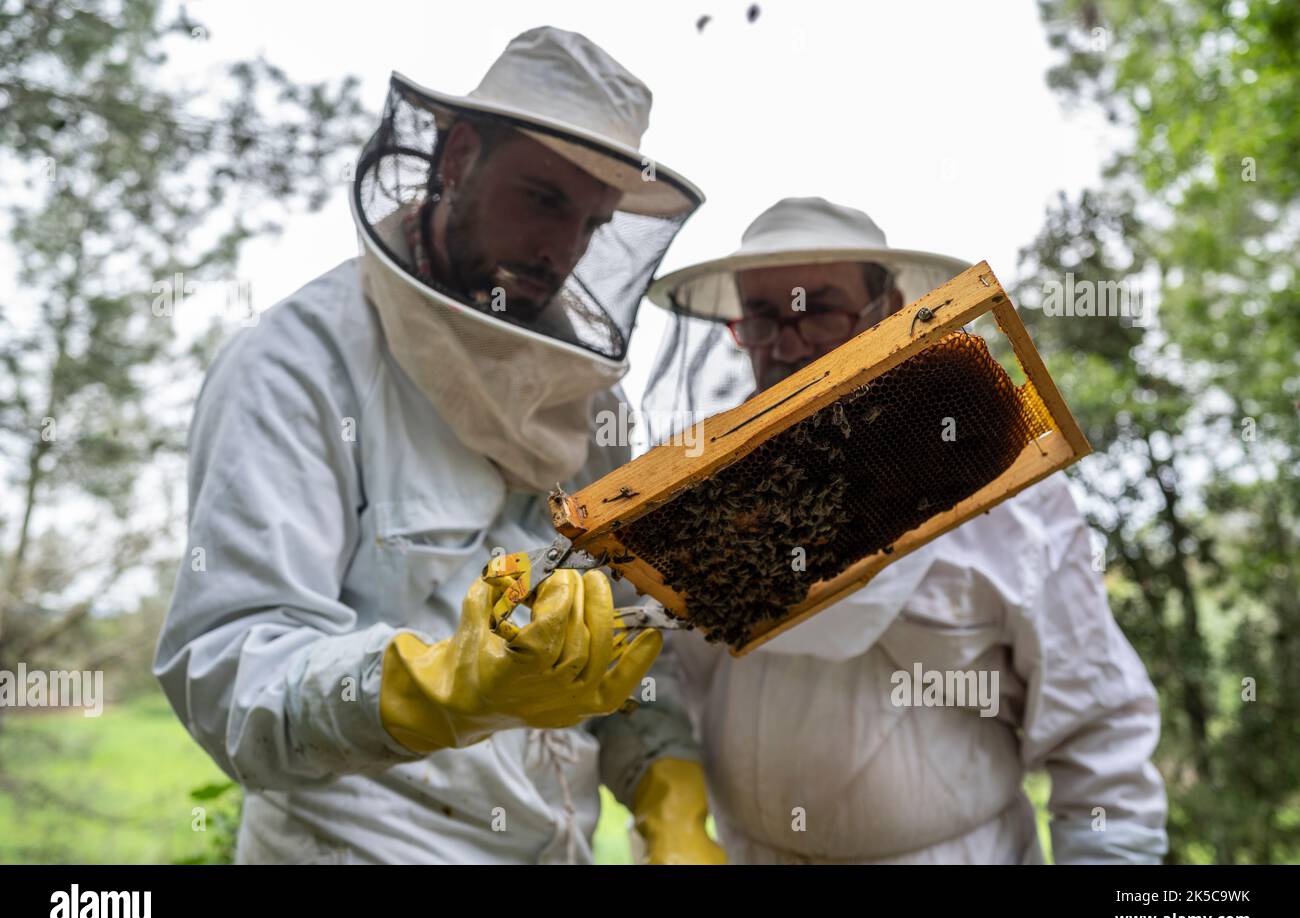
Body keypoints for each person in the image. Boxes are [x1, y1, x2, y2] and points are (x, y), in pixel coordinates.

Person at [155, 26, 708, 864]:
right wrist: (437, 689)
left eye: (593, 225)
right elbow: (233, 673)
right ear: (455, 161)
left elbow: (624, 639)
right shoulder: (299, 365)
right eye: (544, 198)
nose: (563, 249)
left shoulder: (592, 405)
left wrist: (667, 788)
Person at [597, 196, 1169, 864]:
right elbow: (653, 674)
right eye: (761, 316)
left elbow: (1098, 733)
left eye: (819, 309)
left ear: (890, 307)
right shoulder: (699, 503)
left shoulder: (1009, 495)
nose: (788, 344)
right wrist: (671, 810)